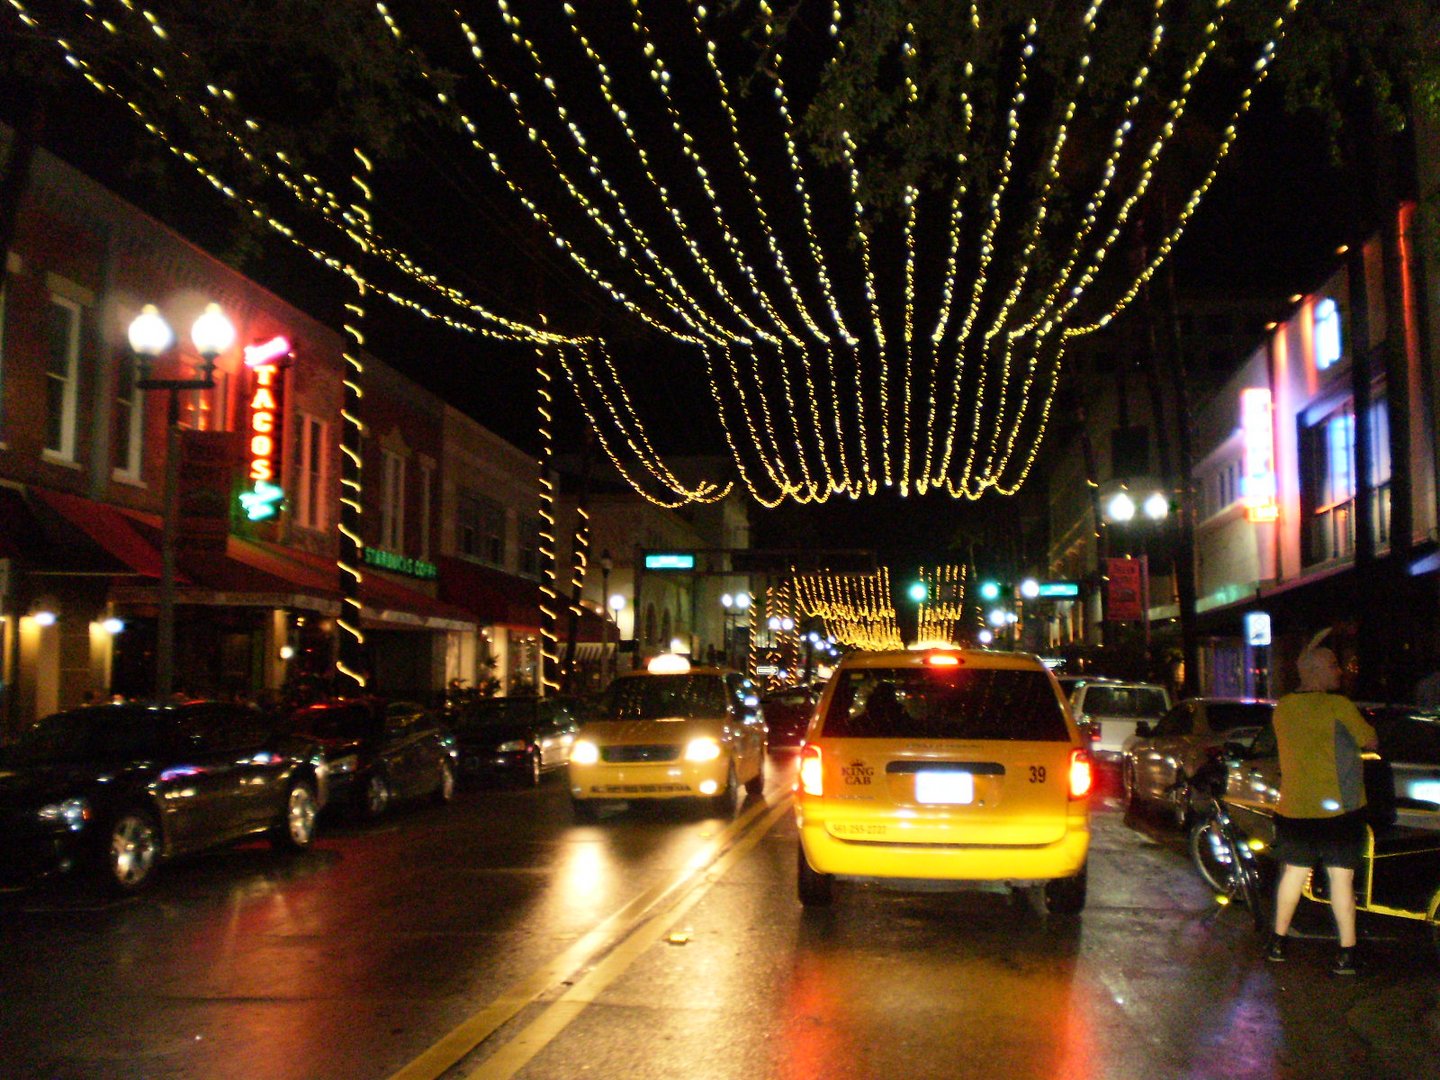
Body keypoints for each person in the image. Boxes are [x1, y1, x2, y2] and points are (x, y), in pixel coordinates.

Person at [1265, 633, 1377, 976]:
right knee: (1340, 881)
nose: (1339, 671)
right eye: (1332, 665)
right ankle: (1346, 953)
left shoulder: (1283, 708)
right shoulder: (1338, 706)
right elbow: (1370, 740)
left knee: (1293, 876)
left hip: (1294, 810)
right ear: (1314, 671)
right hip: (1338, 813)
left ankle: (1277, 942)